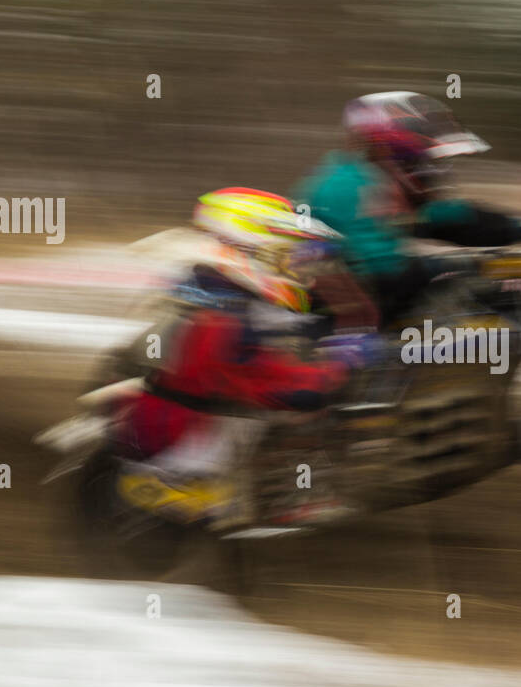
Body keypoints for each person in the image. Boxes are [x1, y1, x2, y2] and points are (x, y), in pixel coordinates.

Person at [118, 188, 378, 527]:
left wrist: (328, 339)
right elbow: (266, 380)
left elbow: (275, 328)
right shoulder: (224, 316)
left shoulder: (212, 291)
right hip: (181, 449)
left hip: (171, 416)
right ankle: (292, 494)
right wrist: (338, 368)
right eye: (284, 256)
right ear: (246, 251)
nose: (294, 267)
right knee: (314, 407)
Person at [296, 91, 521, 323]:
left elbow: (444, 217)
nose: (432, 170)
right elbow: (380, 270)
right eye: (424, 161)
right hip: (339, 319)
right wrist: (456, 268)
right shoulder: (347, 186)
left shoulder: (376, 180)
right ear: (390, 152)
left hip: (367, 305)